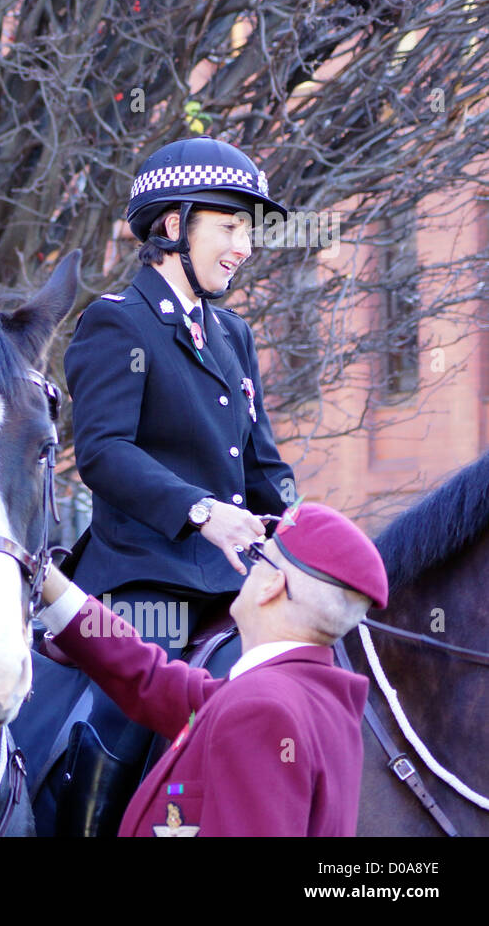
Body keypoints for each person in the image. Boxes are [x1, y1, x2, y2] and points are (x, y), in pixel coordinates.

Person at [55, 136, 298, 833]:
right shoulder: (114, 321)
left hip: (235, 579)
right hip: (144, 577)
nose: (243, 246)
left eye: (246, 230)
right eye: (228, 226)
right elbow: (102, 451)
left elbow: (263, 469)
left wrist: (310, 531)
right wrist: (200, 511)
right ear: (171, 225)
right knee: (126, 717)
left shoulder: (233, 334)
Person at [36, 500, 387, 836]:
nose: (248, 569)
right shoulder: (301, 698)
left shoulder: (264, 711)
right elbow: (151, 678)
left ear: (272, 586)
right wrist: (49, 583)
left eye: (258, 556)